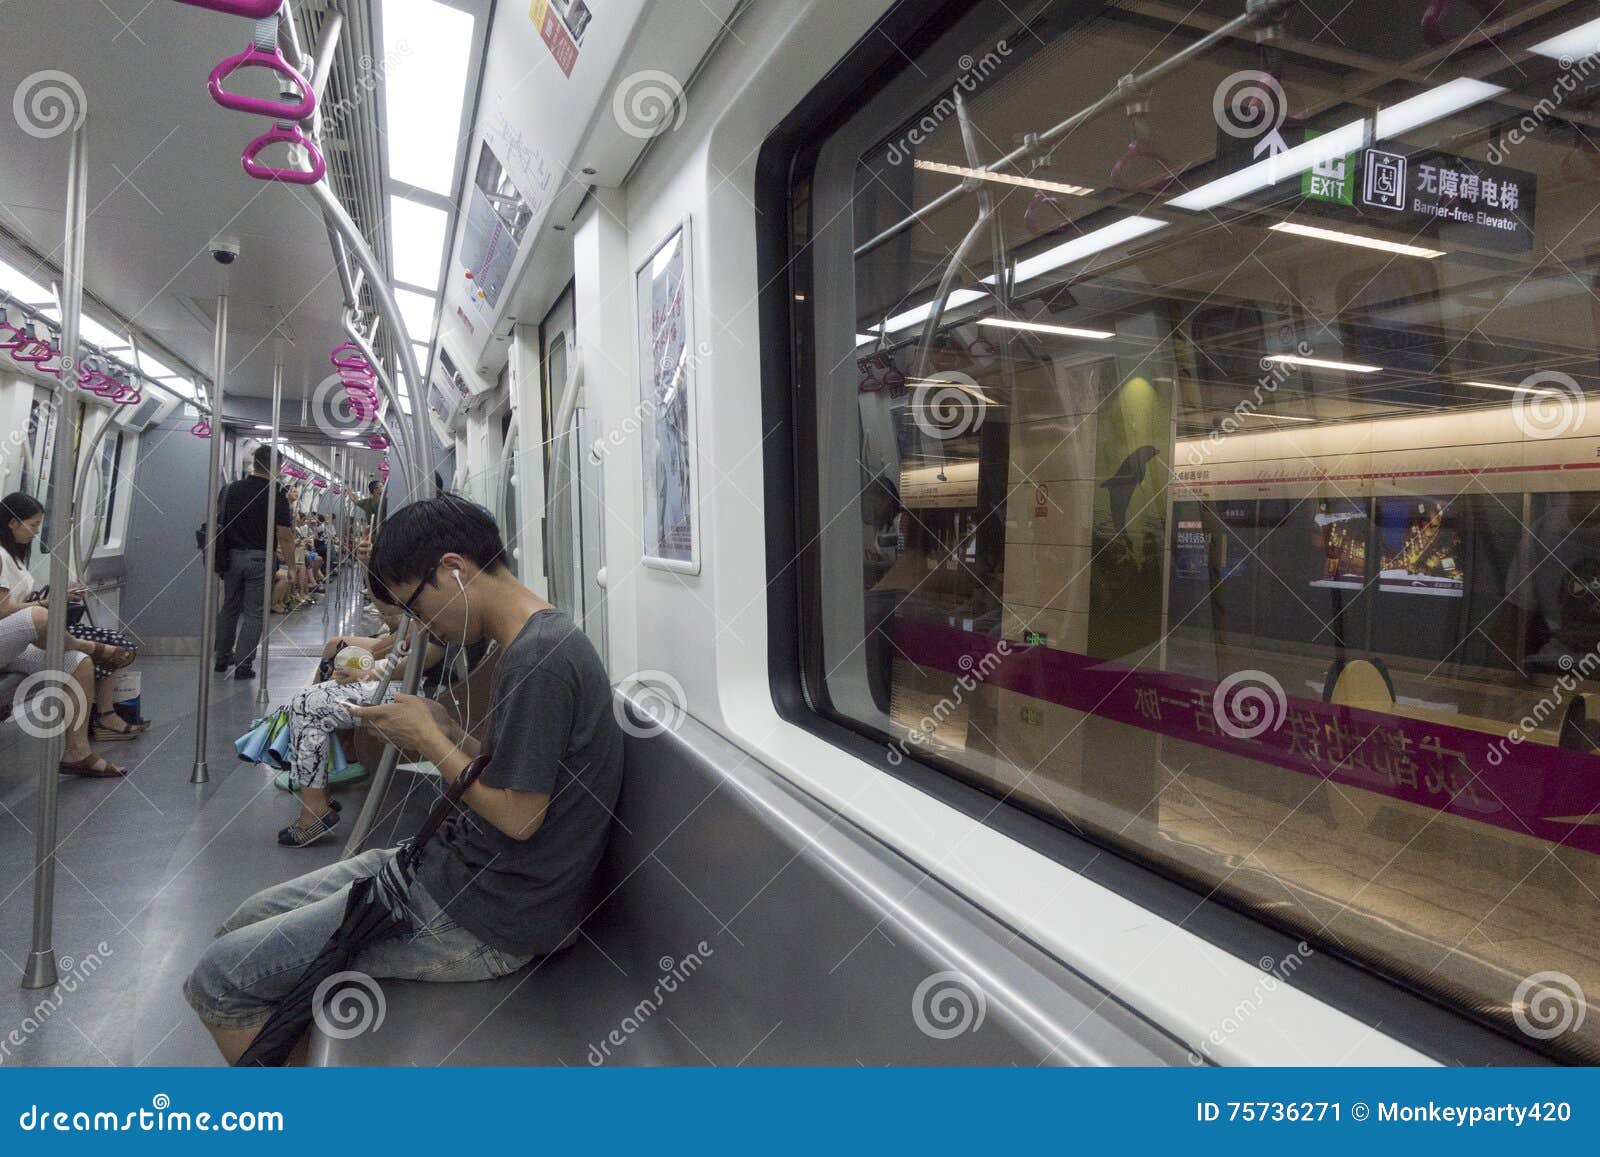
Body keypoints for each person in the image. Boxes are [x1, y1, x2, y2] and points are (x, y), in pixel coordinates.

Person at [185, 496, 625, 1064]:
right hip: (452, 871)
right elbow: (521, 779)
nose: (419, 627)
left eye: (417, 608)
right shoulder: (536, 642)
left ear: (454, 571)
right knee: (243, 923)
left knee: (218, 980)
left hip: (487, 920)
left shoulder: (538, 660)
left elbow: (520, 817)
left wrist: (430, 743)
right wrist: (448, 731)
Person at [272, 598, 442, 848]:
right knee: (310, 696)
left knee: (307, 705)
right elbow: (411, 641)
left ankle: (314, 811)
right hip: (415, 676)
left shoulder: (448, 600)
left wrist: (367, 673)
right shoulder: (446, 597)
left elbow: (426, 657)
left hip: (419, 686)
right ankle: (318, 789)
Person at [0, 493, 130, 776]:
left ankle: (76, 753)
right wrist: (45, 605)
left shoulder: (15, 557)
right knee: (38, 617)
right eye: (32, 525)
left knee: (78, 663)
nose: (36, 532)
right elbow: (3, 609)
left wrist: (52, 598)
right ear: (12, 523)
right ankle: (94, 646)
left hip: (12, 646)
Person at [213, 446, 296, 680]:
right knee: (254, 613)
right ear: (277, 467)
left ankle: (221, 658)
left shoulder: (229, 490)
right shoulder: (276, 493)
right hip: (260, 558)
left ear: (254, 463)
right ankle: (243, 665)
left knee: (228, 608)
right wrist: (290, 566)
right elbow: (285, 534)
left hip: (230, 557)